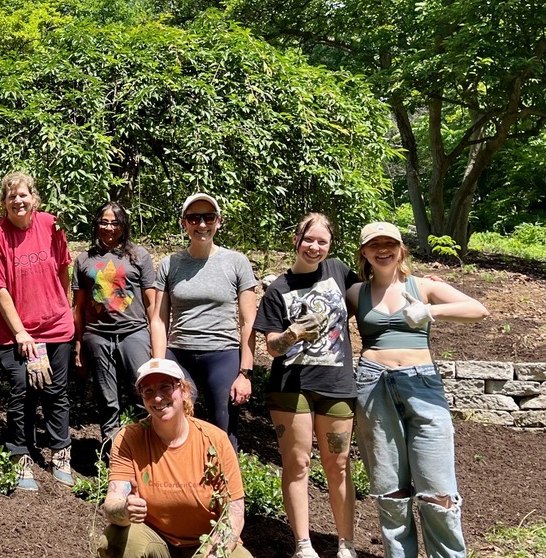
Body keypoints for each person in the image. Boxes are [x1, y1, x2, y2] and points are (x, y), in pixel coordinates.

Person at [346, 222, 488, 558]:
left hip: (422, 384)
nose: (383, 249)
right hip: (372, 386)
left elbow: (479, 310)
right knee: (389, 489)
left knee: (438, 490)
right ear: (364, 252)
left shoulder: (422, 286)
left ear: (401, 249)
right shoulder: (356, 293)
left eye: (389, 243)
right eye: (374, 244)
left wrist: (430, 311)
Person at [253, 214, 359, 558]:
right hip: (290, 388)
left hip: (337, 384)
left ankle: (346, 544)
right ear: (296, 239)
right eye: (308, 239)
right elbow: (270, 346)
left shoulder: (339, 272)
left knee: (338, 464)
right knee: (297, 463)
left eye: (322, 242)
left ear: (330, 245)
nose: (314, 247)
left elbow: (378, 293)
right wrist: (291, 334)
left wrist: (413, 284)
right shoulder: (278, 289)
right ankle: (303, 545)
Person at [98, 358, 250, 558]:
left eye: (165, 387)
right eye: (148, 391)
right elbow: (112, 503)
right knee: (119, 539)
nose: (158, 398)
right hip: (157, 542)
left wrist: (214, 555)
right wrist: (125, 510)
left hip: (205, 543)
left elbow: (234, 511)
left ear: (184, 391)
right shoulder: (130, 438)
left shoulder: (215, 440)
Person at [0, 171, 73, 491]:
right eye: (11, 197)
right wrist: (23, 333)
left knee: (55, 390)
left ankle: (61, 452)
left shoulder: (51, 225)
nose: (18, 201)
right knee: (22, 387)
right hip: (14, 331)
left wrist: (62, 307)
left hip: (56, 327)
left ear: (34, 198)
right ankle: (20, 454)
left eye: (24, 195)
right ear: (3, 203)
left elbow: (64, 270)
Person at [151, 193, 257, 449]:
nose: (201, 224)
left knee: (224, 426)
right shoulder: (170, 264)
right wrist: (158, 365)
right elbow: (158, 319)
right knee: (175, 417)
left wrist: (245, 373)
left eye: (208, 217)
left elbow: (248, 321)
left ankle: (227, 485)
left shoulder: (236, 262)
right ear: (184, 223)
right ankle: (176, 480)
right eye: (194, 218)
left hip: (222, 354)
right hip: (179, 353)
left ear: (218, 222)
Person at [73, 202, 157, 447]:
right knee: (106, 399)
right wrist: (78, 345)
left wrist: (155, 338)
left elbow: (152, 303)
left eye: (115, 222)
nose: (109, 228)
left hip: (135, 333)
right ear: (97, 224)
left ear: (123, 225)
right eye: (104, 222)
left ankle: (147, 449)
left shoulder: (139, 255)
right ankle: (112, 453)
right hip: (97, 336)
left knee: (143, 393)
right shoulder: (83, 260)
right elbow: (77, 308)